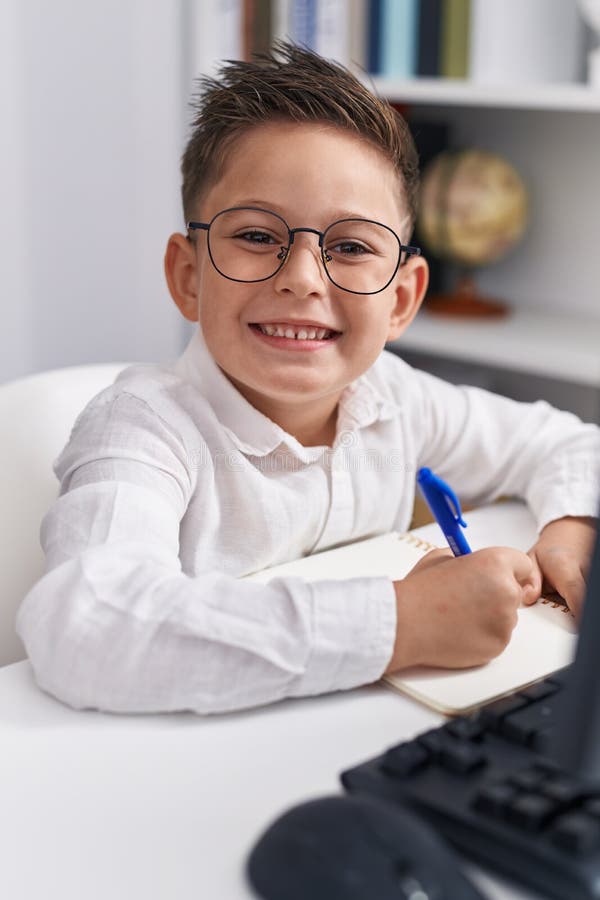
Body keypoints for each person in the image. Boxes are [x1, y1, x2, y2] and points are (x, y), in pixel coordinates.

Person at [17, 43, 599, 714]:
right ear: (188, 277)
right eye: (258, 236)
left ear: (402, 299)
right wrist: (401, 623)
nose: (300, 277)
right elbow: (89, 624)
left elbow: (569, 443)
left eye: (350, 247)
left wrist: (570, 525)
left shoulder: (394, 395)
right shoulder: (143, 425)